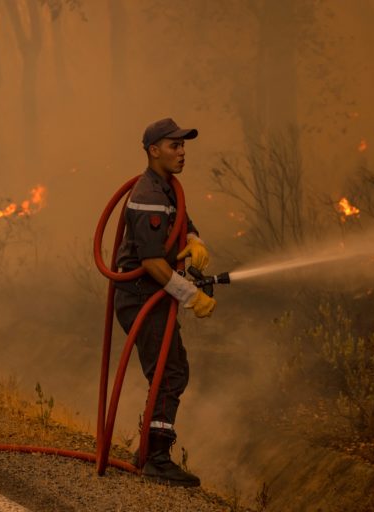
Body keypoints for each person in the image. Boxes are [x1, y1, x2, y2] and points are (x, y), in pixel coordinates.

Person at [114, 117, 216, 487]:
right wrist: (192, 296)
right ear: (153, 150)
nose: (183, 152)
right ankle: (155, 458)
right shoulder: (149, 196)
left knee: (171, 369)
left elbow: (183, 223)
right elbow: (152, 262)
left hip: (153, 293)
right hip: (141, 295)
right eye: (175, 146)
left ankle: (149, 451)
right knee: (168, 372)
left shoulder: (169, 189)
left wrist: (194, 239)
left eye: (184, 145)